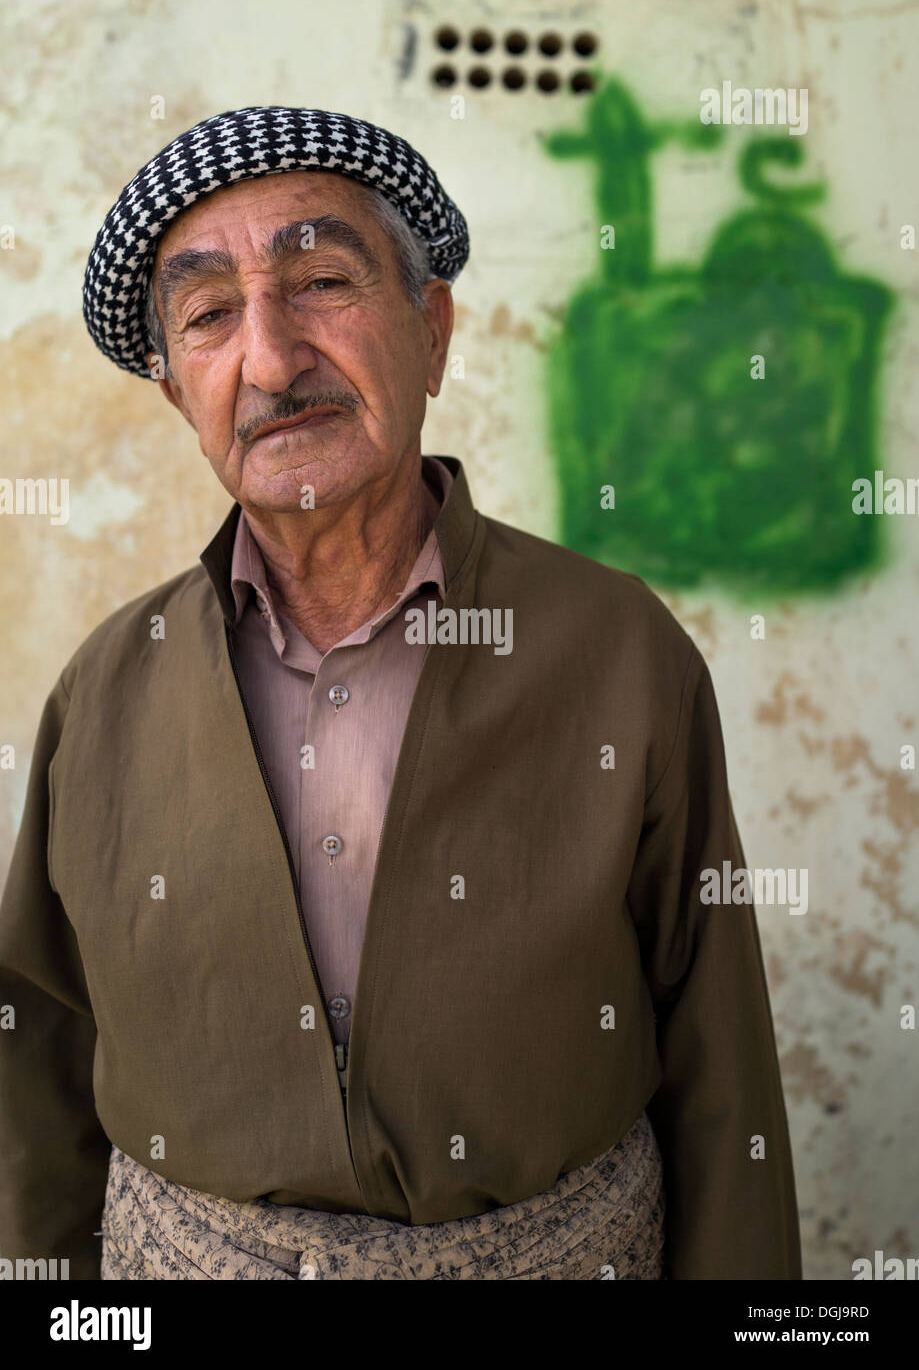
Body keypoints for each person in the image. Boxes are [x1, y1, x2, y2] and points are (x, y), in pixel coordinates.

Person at [0, 106, 801, 1281]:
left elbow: (719, 1065)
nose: (271, 361)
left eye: (321, 280)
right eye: (211, 315)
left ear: (430, 330)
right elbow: (38, 1076)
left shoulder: (618, 651)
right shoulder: (104, 693)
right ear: (177, 392)